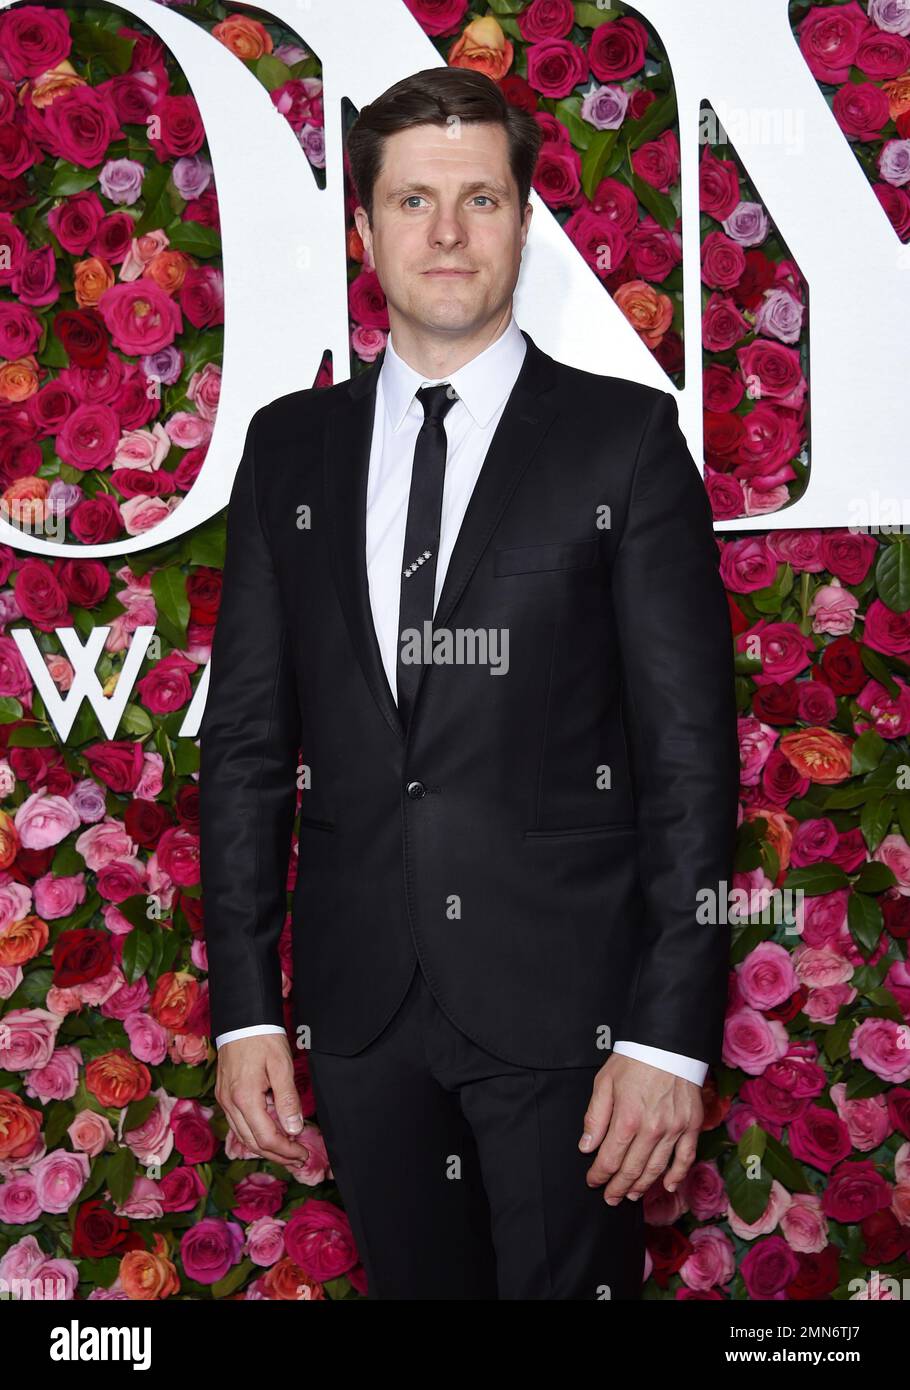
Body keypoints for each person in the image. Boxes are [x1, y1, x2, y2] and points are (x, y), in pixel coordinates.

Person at [199, 66, 740, 1300]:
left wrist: (666, 1035)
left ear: (524, 222)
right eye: (413, 201)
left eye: (480, 200)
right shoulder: (289, 448)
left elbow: (689, 761)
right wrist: (246, 1010)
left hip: (573, 1018)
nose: (446, 232)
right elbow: (245, 748)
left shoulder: (622, 442)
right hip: (362, 1014)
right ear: (365, 229)